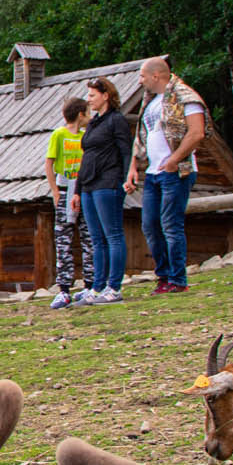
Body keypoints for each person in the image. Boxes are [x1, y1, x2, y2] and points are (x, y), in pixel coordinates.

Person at [125, 56, 208, 295]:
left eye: (142, 76)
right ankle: (162, 276)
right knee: (150, 225)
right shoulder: (150, 103)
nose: (140, 81)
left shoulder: (184, 96)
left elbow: (197, 132)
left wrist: (174, 160)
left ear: (155, 76)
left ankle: (177, 279)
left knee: (171, 224)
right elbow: (142, 137)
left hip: (176, 171)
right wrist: (133, 166)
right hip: (152, 173)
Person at [73, 76, 131, 305]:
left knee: (113, 235)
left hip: (108, 182)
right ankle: (97, 287)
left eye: (92, 95)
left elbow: (126, 151)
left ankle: (113, 287)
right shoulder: (94, 123)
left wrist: (125, 178)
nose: (89, 100)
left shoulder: (116, 120)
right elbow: (85, 156)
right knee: (96, 239)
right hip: (88, 184)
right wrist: (77, 190)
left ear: (106, 95)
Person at [43, 96, 91, 309]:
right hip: (64, 189)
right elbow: (49, 162)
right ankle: (64, 288)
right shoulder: (59, 134)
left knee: (88, 237)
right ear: (81, 114)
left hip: (82, 190)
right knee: (63, 239)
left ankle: (89, 284)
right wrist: (54, 191)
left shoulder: (86, 136)